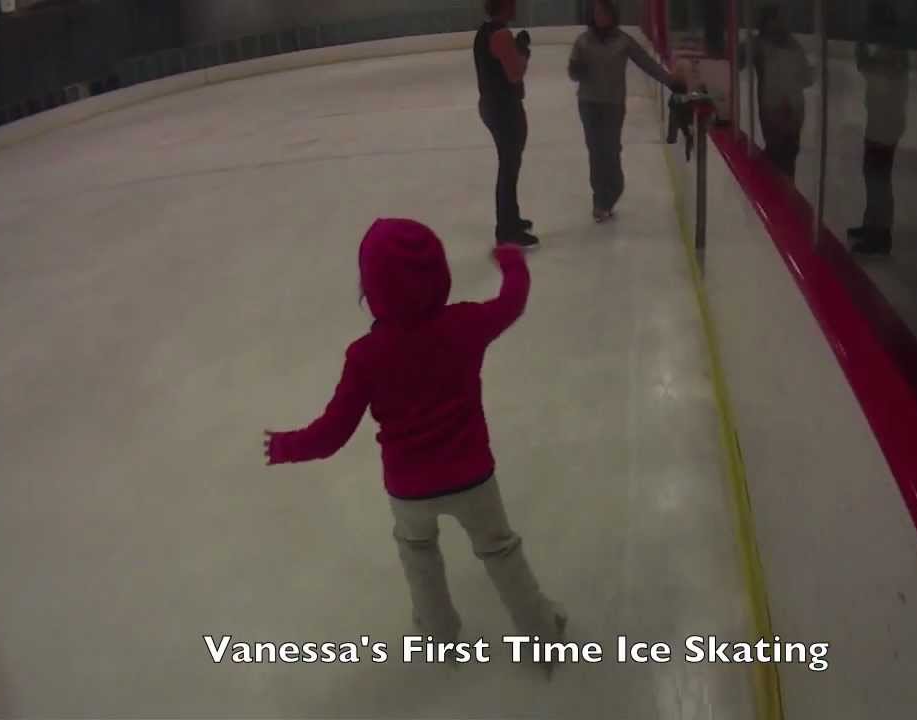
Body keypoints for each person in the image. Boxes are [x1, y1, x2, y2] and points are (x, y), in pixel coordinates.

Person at [263, 219, 566, 673]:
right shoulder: (465, 324)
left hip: (409, 488)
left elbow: (332, 433)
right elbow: (512, 303)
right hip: (473, 477)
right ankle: (541, 634)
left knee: (418, 552)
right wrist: (511, 262)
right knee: (499, 550)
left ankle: (441, 635)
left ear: (372, 287)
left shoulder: (365, 356)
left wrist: (287, 446)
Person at [568, 0, 685, 222]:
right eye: (597, 12)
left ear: (612, 15)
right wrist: (576, 70)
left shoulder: (623, 41)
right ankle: (600, 201)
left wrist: (670, 81)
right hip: (589, 104)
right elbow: (573, 74)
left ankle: (613, 191)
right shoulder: (583, 41)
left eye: (604, 12)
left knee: (611, 150)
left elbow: (646, 63)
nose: (600, 16)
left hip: (613, 105)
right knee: (596, 152)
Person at [475, 0, 539, 249]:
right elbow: (515, 74)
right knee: (509, 168)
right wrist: (523, 50)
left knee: (509, 165)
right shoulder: (501, 34)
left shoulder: (483, 32)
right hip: (503, 109)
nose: (515, 6)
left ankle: (511, 219)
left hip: (493, 106)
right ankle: (506, 229)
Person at [848, 3, 909, 255]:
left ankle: (880, 234)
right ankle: (872, 225)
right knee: (874, 176)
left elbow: (880, 80)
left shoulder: (893, 51)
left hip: (885, 123)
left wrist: (863, 57)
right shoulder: (891, 49)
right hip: (881, 121)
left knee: (878, 179)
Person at [745, 6, 812, 179]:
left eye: (781, 19)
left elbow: (806, 78)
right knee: (779, 156)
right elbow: (738, 60)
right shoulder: (762, 44)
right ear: (767, 21)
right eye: (777, 19)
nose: (781, 23)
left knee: (785, 156)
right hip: (777, 111)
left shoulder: (790, 44)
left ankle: (781, 187)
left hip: (788, 111)